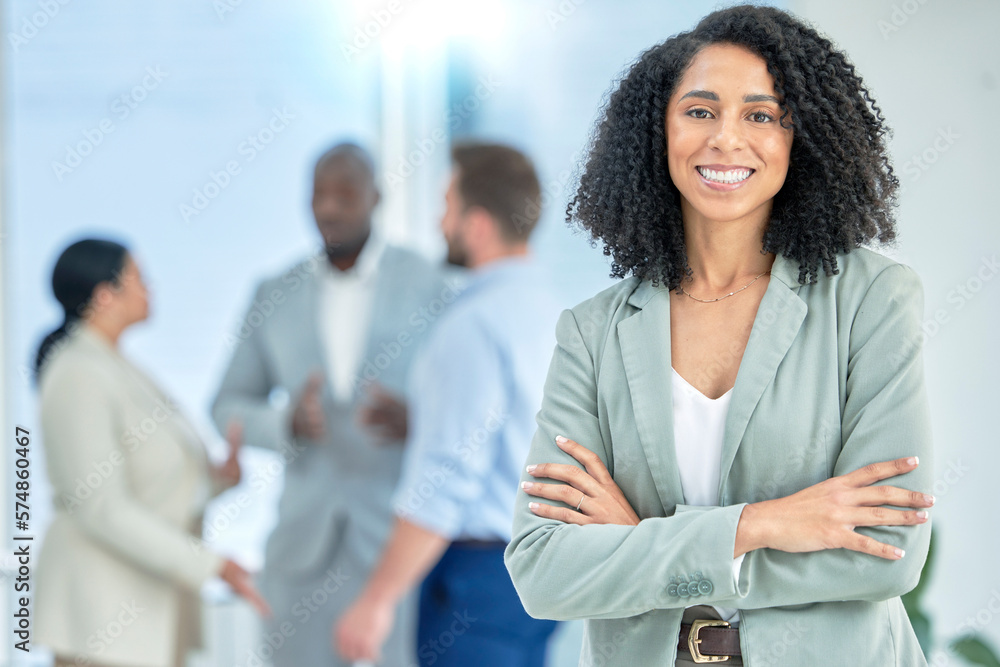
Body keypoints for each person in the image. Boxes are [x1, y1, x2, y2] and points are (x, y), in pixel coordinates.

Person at [504, 6, 935, 666]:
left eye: (760, 115)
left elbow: (886, 548)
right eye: (699, 111)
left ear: (802, 137)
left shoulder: (872, 300)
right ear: (658, 130)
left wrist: (643, 542)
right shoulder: (591, 333)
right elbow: (542, 566)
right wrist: (758, 526)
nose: (726, 139)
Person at [211, 142, 449, 667]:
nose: (329, 208)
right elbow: (224, 405)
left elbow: (469, 406)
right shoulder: (273, 293)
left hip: (396, 550)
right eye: (319, 194)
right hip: (299, 552)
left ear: (376, 197)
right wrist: (282, 422)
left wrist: (420, 421)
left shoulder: (430, 285)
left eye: (344, 193)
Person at [335, 142, 560, 666]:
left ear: (476, 225)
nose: (439, 221)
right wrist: (425, 421)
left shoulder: (472, 327)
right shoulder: (554, 313)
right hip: (539, 573)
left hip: (474, 583)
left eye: (446, 206)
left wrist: (376, 600)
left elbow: (446, 479)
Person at [33, 238, 268, 667]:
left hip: (149, 615)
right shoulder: (76, 373)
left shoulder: (121, 369)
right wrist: (212, 565)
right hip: (100, 618)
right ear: (105, 295)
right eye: (139, 278)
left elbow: (153, 487)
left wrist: (216, 480)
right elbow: (100, 506)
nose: (150, 289)